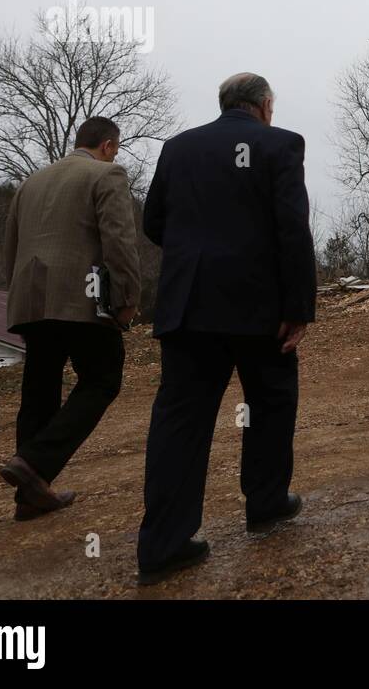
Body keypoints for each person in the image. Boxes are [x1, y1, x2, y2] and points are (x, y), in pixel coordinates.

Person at [136, 72, 316, 585]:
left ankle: (163, 545)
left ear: (224, 104)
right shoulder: (281, 144)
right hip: (260, 307)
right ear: (264, 106)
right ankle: (265, 502)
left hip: (189, 306)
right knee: (272, 401)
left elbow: (154, 222)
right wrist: (299, 305)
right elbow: (292, 228)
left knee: (179, 422)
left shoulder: (178, 148)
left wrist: (198, 248)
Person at [1, 116, 140, 521]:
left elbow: (11, 248)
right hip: (81, 300)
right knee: (102, 378)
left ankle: (30, 496)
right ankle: (34, 463)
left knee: (39, 389)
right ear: (109, 146)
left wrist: (17, 296)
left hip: (30, 300)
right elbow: (119, 240)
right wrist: (127, 298)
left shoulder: (31, 182)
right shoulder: (107, 173)